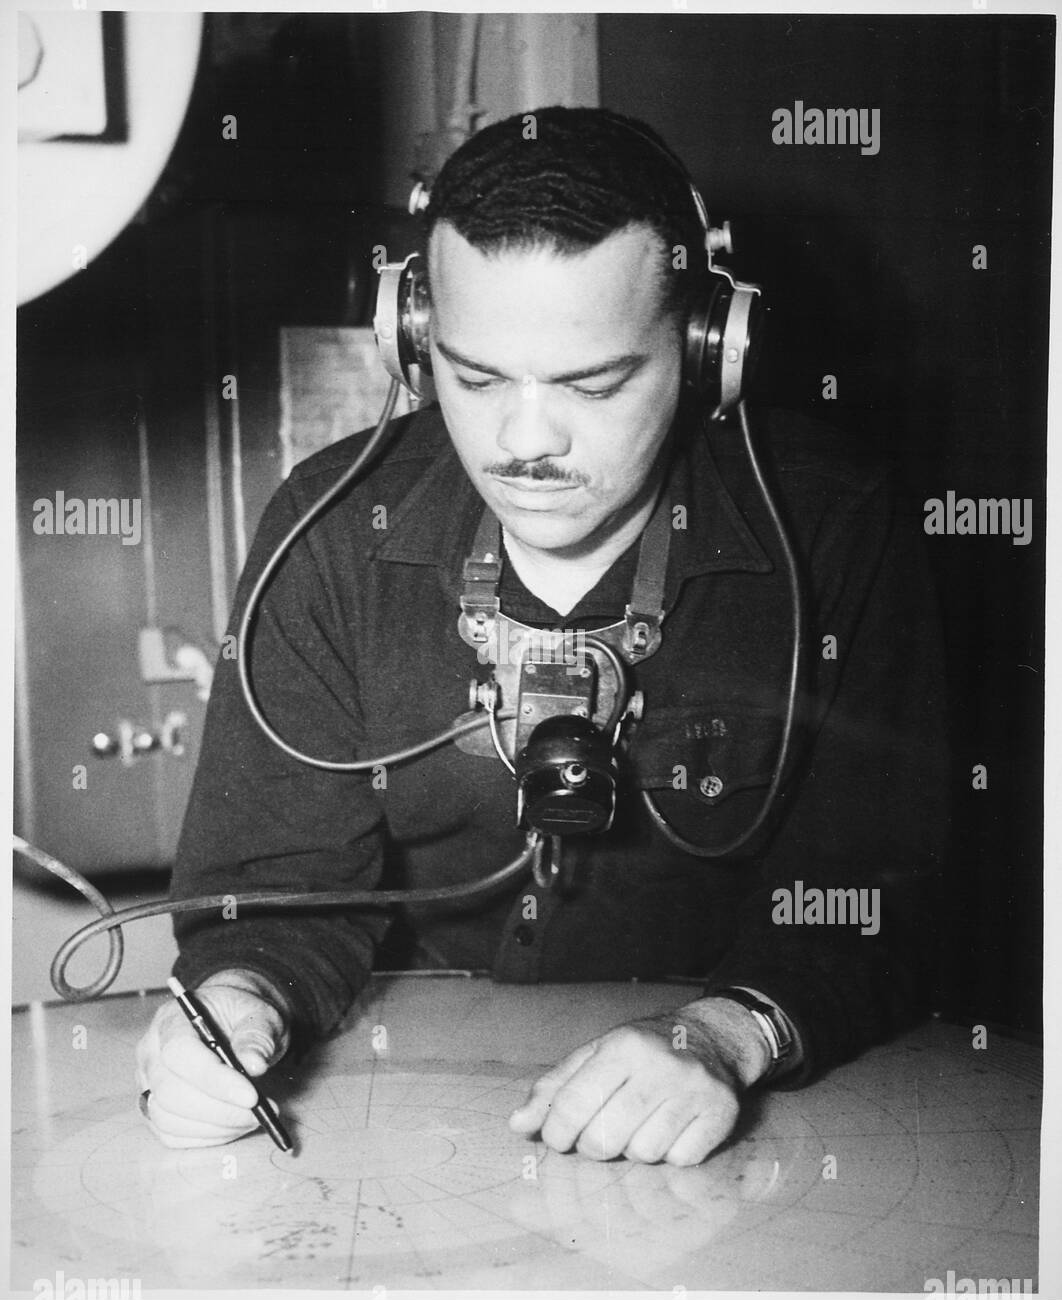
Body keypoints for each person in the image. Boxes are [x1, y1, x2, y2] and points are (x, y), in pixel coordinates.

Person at [135, 106, 948, 1165]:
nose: (524, 441)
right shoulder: (326, 531)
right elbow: (272, 892)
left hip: (739, 1122)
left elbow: (880, 892)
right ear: (413, 339)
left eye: (595, 383)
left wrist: (727, 1033)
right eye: (474, 378)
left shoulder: (838, 527)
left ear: (711, 350)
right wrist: (239, 1003)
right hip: (409, 1109)